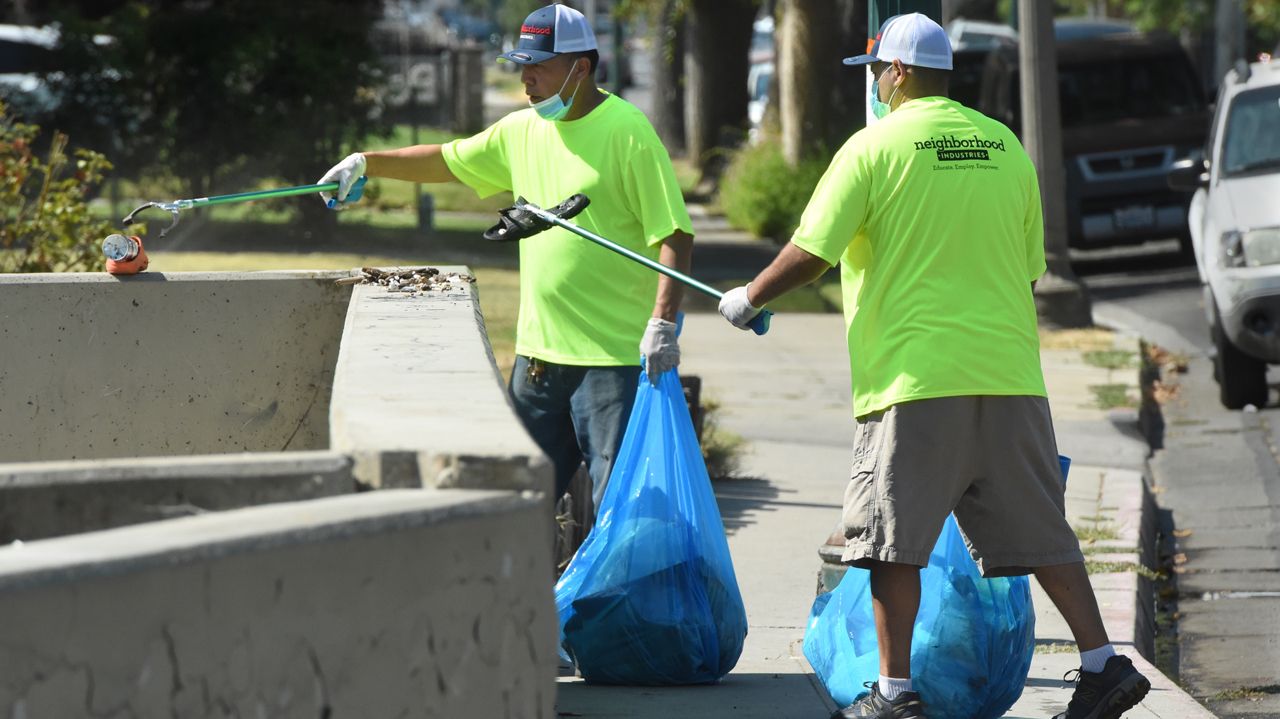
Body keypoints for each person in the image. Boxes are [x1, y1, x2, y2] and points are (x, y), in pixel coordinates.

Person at [717, 13, 1150, 719]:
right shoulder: (1005, 146)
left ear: (897, 72)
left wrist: (749, 297)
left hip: (913, 382)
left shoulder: (873, 147)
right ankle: (1104, 663)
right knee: (1043, 530)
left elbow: (813, 249)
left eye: (876, 73)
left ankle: (894, 692)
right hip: (1010, 378)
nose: (875, 85)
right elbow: (1029, 271)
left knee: (891, 543)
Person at [318, 4, 694, 510]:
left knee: (620, 508)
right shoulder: (521, 130)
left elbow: (675, 234)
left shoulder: (629, 133)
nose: (526, 79)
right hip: (539, 359)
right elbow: (446, 161)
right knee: (515, 504)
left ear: (581, 67)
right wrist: (367, 162)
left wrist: (663, 323)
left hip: (614, 362)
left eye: (539, 67)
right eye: (522, 66)